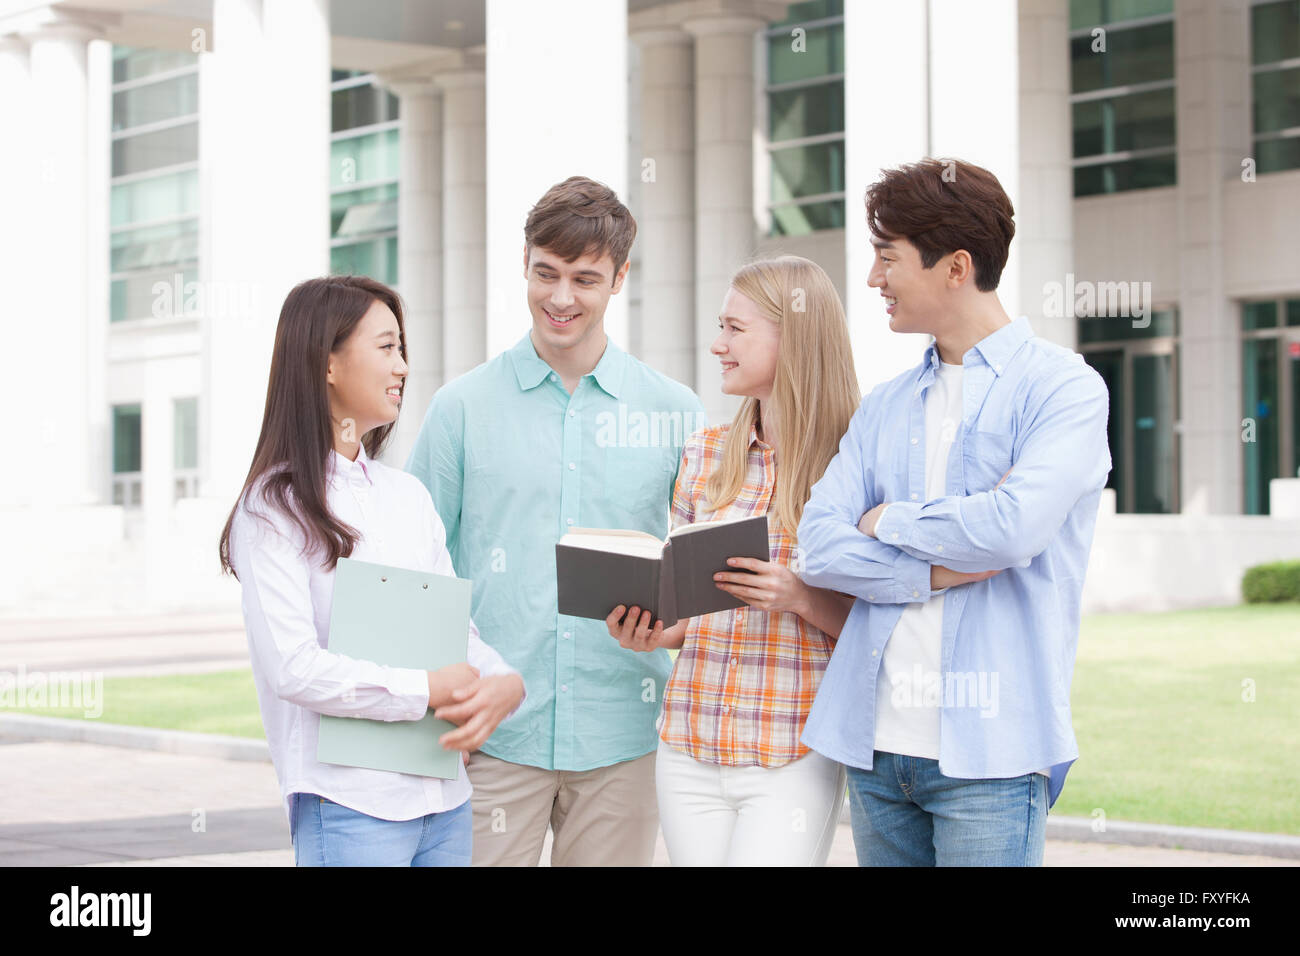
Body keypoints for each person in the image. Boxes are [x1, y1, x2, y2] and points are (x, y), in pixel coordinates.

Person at [796, 158, 1112, 866]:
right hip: (875, 750)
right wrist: (935, 571)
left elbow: (1014, 530)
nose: (874, 280)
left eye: (887, 258)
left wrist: (886, 520)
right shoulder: (884, 405)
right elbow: (817, 546)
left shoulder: (1065, 390)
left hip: (992, 759)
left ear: (955, 267)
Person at [405, 176, 706, 866]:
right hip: (492, 739)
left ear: (619, 278)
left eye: (585, 278)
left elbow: (701, 575)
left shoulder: (675, 412)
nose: (561, 298)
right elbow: (415, 570)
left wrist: (673, 626)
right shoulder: (461, 409)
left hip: (623, 739)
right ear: (524, 263)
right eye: (546, 273)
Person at [218, 275, 525, 867]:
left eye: (402, 349)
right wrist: (424, 690)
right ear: (327, 362)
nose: (403, 366)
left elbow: (451, 633)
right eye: (386, 347)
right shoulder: (274, 507)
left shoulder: (406, 496)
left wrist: (502, 679)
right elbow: (293, 667)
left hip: (445, 802)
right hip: (350, 805)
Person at [606, 255, 857, 866]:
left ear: (792, 334)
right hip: (690, 744)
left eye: (735, 329)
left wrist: (798, 595)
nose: (718, 345)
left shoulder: (854, 455)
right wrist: (651, 632)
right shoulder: (706, 453)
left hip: (791, 752)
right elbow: (688, 617)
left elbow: (888, 625)